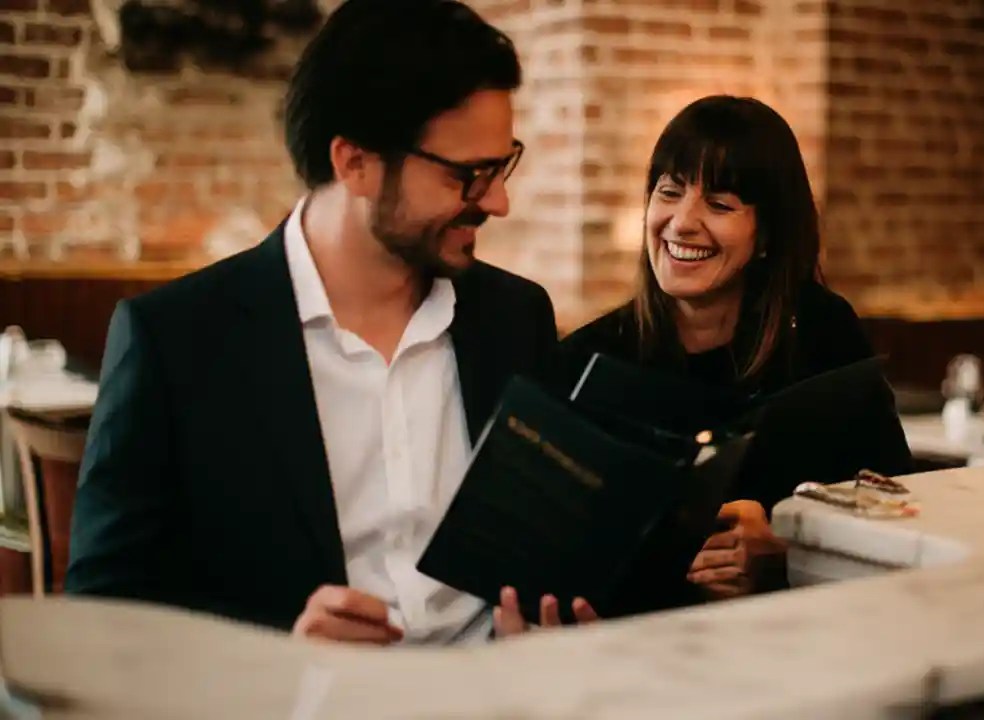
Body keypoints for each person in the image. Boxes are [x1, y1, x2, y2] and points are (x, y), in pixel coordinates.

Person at [66, 0, 591, 644]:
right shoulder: (175, 340)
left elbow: (552, 542)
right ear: (355, 162)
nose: (499, 201)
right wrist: (282, 652)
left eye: (502, 165)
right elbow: (103, 611)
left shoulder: (517, 319)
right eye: (469, 176)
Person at [561, 95, 912, 603]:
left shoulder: (822, 330)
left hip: (795, 646)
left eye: (720, 205)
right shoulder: (589, 357)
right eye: (669, 193)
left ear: (767, 233)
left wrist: (786, 552)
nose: (682, 222)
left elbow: (895, 504)